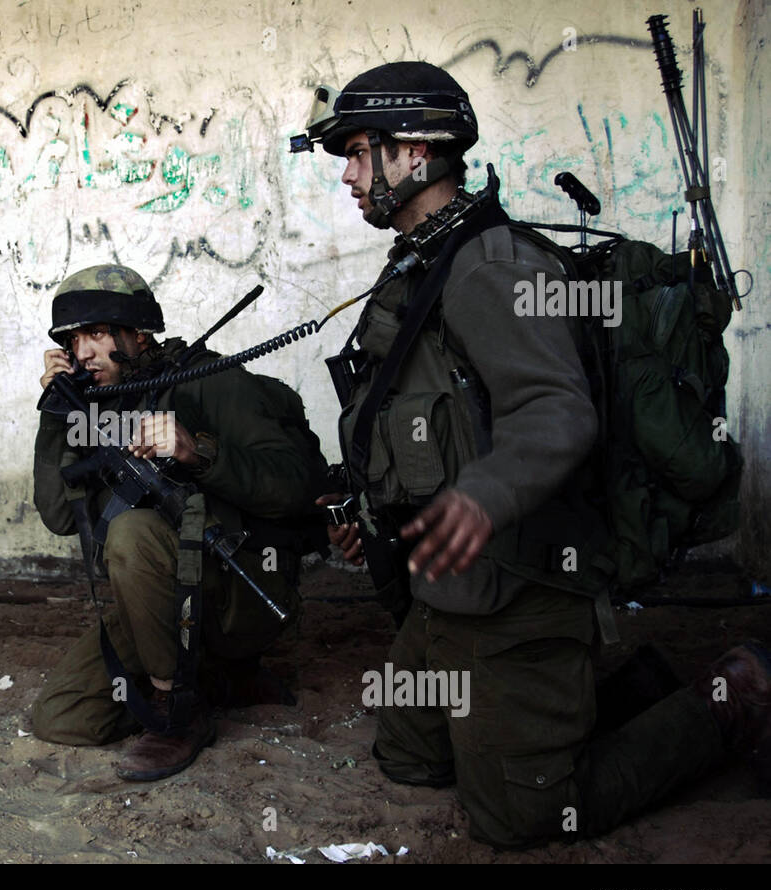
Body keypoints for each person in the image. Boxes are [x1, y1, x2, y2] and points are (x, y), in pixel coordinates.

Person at [296, 62, 770, 847]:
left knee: (524, 815)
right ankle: (603, 696)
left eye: (357, 150)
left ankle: (731, 700)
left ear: (415, 152)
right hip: (447, 586)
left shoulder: (490, 267)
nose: (346, 173)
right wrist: (361, 496)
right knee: (410, 755)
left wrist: (480, 498)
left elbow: (557, 410)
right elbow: (414, 409)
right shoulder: (421, 261)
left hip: (519, 584)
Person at [30, 265, 328, 780]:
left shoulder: (209, 381)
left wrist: (198, 452)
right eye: (73, 340)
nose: (82, 354)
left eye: (97, 335)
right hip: (162, 596)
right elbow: (60, 516)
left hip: (243, 588)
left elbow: (301, 483)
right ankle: (215, 679)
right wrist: (56, 414)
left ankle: (176, 712)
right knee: (64, 717)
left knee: (132, 533)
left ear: (138, 333)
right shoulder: (101, 401)